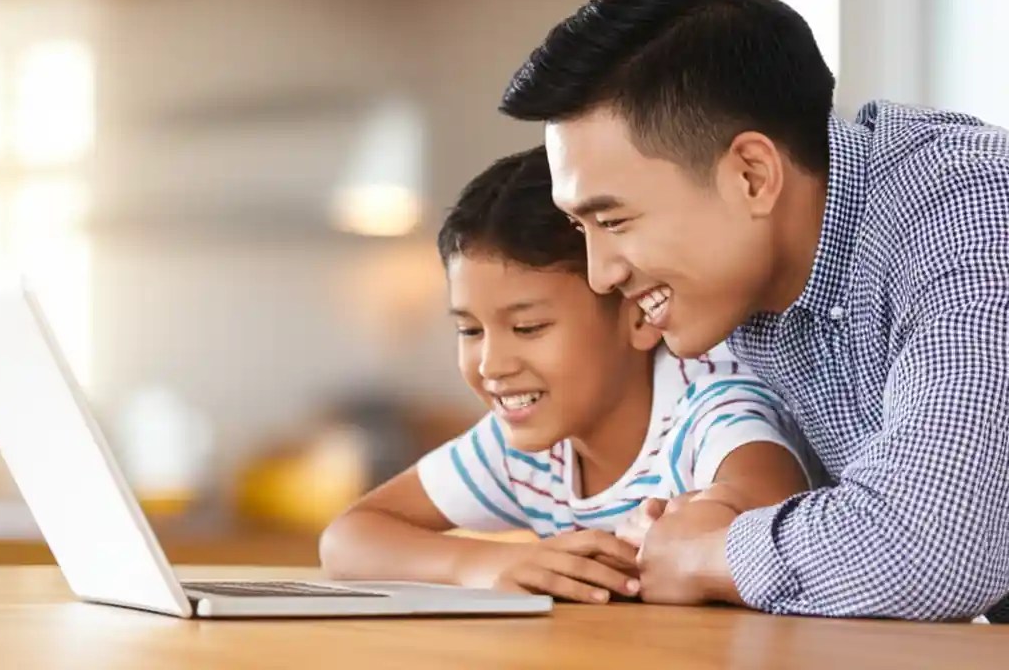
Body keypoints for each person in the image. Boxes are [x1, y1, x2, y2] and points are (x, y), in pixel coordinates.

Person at [499, 0, 1009, 621]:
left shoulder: (974, 218)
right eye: (581, 227)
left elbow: (932, 545)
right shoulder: (747, 295)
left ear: (752, 175)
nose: (601, 275)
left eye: (615, 221)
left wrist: (706, 555)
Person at [319, 146, 814, 604]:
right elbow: (348, 537)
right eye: (470, 330)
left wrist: (711, 519)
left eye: (528, 327)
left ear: (638, 315)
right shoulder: (518, 450)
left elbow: (773, 510)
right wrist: (487, 564)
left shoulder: (707, 403)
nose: (492, 364)